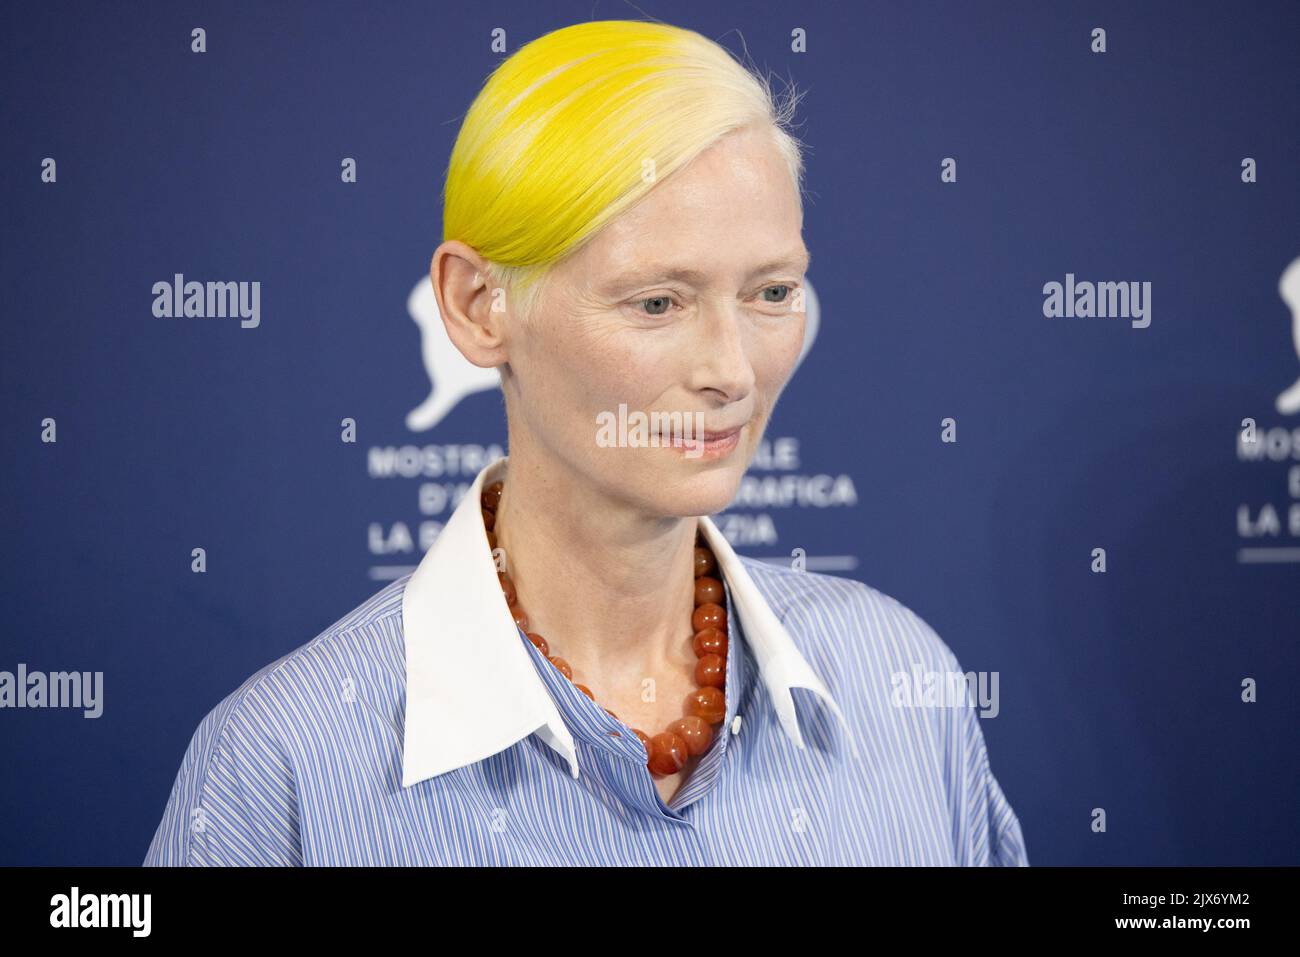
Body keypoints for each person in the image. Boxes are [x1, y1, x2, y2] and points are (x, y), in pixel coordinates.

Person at [144, 18, 1028, 866]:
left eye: (770, 292)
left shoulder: (903, 680)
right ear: (477, 305)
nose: (732, 370)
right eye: (656, 302)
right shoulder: (282, 765)